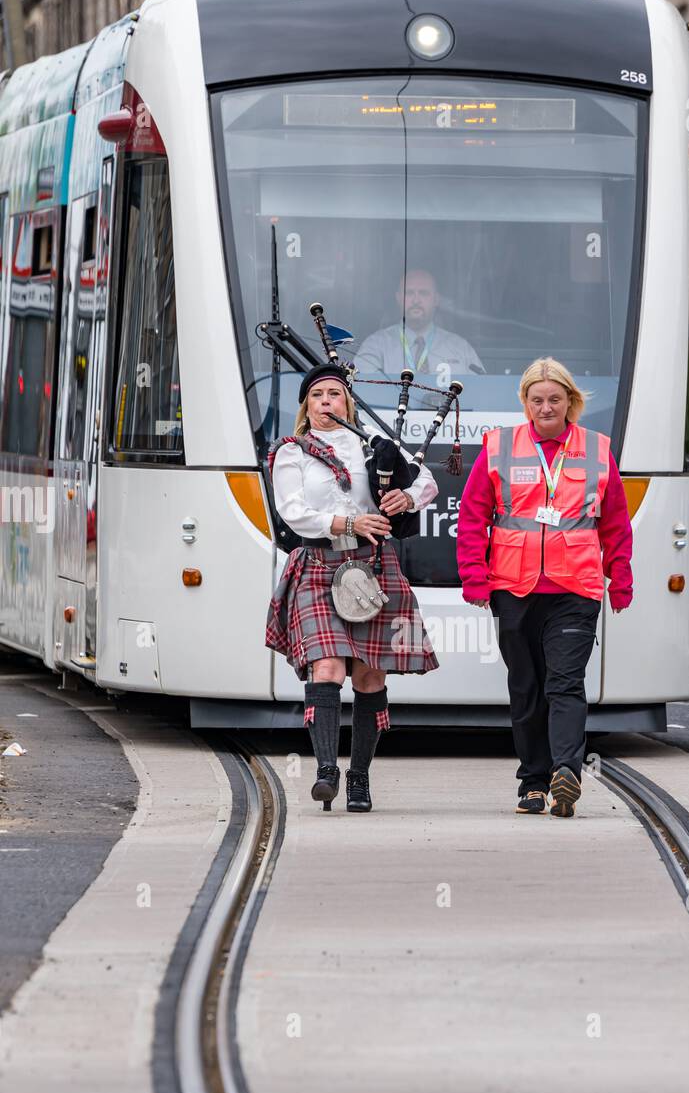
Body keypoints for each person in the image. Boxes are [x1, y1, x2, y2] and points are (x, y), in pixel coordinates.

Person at [456, 357, 633, 818]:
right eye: (537, 400)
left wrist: (621, 576)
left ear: (571, 402)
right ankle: (532, 783)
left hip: (575, 590)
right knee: (526, 689)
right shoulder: (499, 448)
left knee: (565, 684)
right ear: (526, 403)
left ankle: (566, 771)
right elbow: (473, 517)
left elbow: (615, 521)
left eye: (555, 399)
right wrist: (474, 576)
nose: (546, 407)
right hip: (514, 588)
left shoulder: (596, 451)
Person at [265, 364, 439, 813]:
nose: (326, 402)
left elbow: (426, 480)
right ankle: (326, 770)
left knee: (369, 675)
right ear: (307, 405)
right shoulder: (292, 452)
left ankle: (359, 777)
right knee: (327, 669)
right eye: (318, 395)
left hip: (372, 565)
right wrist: (348, 521)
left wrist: (407, 498)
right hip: (319, 563)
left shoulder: (374, 446)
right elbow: (292, 511)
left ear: (349, 404)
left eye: (335, 394)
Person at [355, 269, 484, 377]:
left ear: (436, 300)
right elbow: (361, 389)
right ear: (399, 298)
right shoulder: (376, 346)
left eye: (423, 293)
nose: (416, 300)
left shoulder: (460, 348)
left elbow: (481, 391)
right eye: (409, 293)